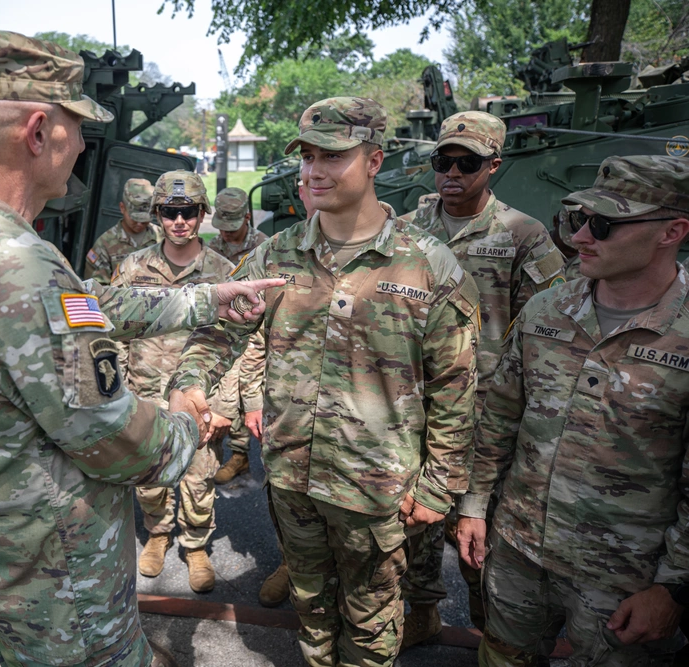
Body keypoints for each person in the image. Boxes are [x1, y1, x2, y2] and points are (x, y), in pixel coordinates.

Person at [0, 31, 282, 667]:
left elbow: (84, 304)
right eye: (77, 125)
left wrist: (205, 300)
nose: (81, 144)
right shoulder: (18, 265)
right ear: (38, 131)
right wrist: (188, 423)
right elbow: (121, 442)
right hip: (59, 578)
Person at [171, 97, 479, 666]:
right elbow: (221, 329)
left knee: (371, 625)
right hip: (292, 479)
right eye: (308, 156)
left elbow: (455, 387)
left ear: (374, 161)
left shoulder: (427, 264)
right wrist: (189, 382)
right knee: (311, 613)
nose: (315, 170)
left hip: (378, 492)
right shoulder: (277, 253)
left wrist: (441, 487)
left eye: (333, 156)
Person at [457, 155, 689, 665]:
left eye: (603, 225)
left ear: (672, 231)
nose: (580, 237)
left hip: (625, 579)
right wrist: (475, 505)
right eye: (578, 219)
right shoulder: (546, 310)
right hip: (517, 550)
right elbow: (500, 418)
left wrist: (674, 588)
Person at [395, 111, 566, 647]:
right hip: (412, 401)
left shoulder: (522, 235)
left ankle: (492, 630)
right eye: (442, 161)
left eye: (466, 163)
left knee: (476, 532)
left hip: (483, 413)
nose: (452, 172)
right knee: (413, 521)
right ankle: (423, 611)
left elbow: (546, 328)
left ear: (493, 165)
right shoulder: (405, 228)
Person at [114, 171, 237, 593]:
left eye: (188, 212)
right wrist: (115, 394)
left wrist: (226, 405)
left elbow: (239, 342)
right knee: (149, 480)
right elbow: (111, 333)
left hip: (200, 398)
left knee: (199, 480)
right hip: (144, 396)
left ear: (203, 213)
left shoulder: (224, 271)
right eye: (170, 212)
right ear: (157, 215)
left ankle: (196, 546)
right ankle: (158, 534)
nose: (179, 221)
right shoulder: (132, 267)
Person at [207, 187, 268, 485]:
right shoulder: (213, 248)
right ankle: (225, 452)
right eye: (222, 226)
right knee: (223, 391)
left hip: (257, 330)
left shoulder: (263, 247)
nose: (226, 233)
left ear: (247, 217)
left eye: (232, 226)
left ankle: (244, 455)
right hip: (225, 330)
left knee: (250, 394)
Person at [84, 177, 163, 284]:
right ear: (122, 208)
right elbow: (96, 287)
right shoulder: (104, 245)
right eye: (134, 218)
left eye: (144, 220)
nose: (139, 224)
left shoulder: (162, 238)